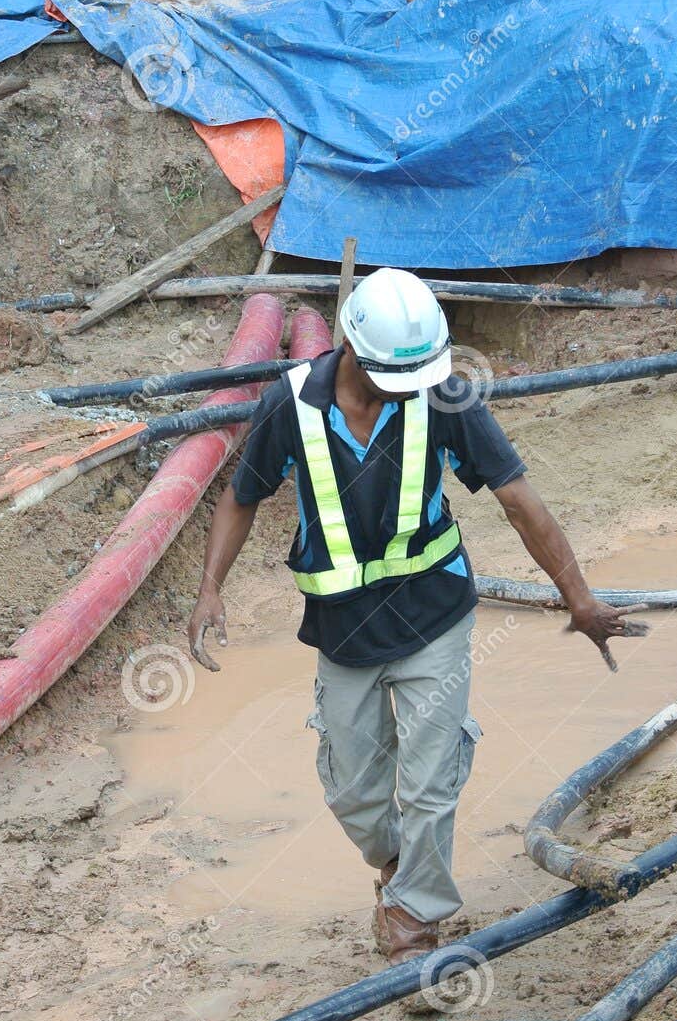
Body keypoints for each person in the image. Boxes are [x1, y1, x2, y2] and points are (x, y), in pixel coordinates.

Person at [186, 267, 637, 978]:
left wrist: (577, 596)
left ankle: (415, 924)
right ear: (351, 348)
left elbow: (520, 499)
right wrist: (210, 588)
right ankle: (400, 869)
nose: (410, 385)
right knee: (352, 789)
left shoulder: (445, 395)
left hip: (436, 619)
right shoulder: (291, 405)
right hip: (342, 635)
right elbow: (240, 497)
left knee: (430, 782)